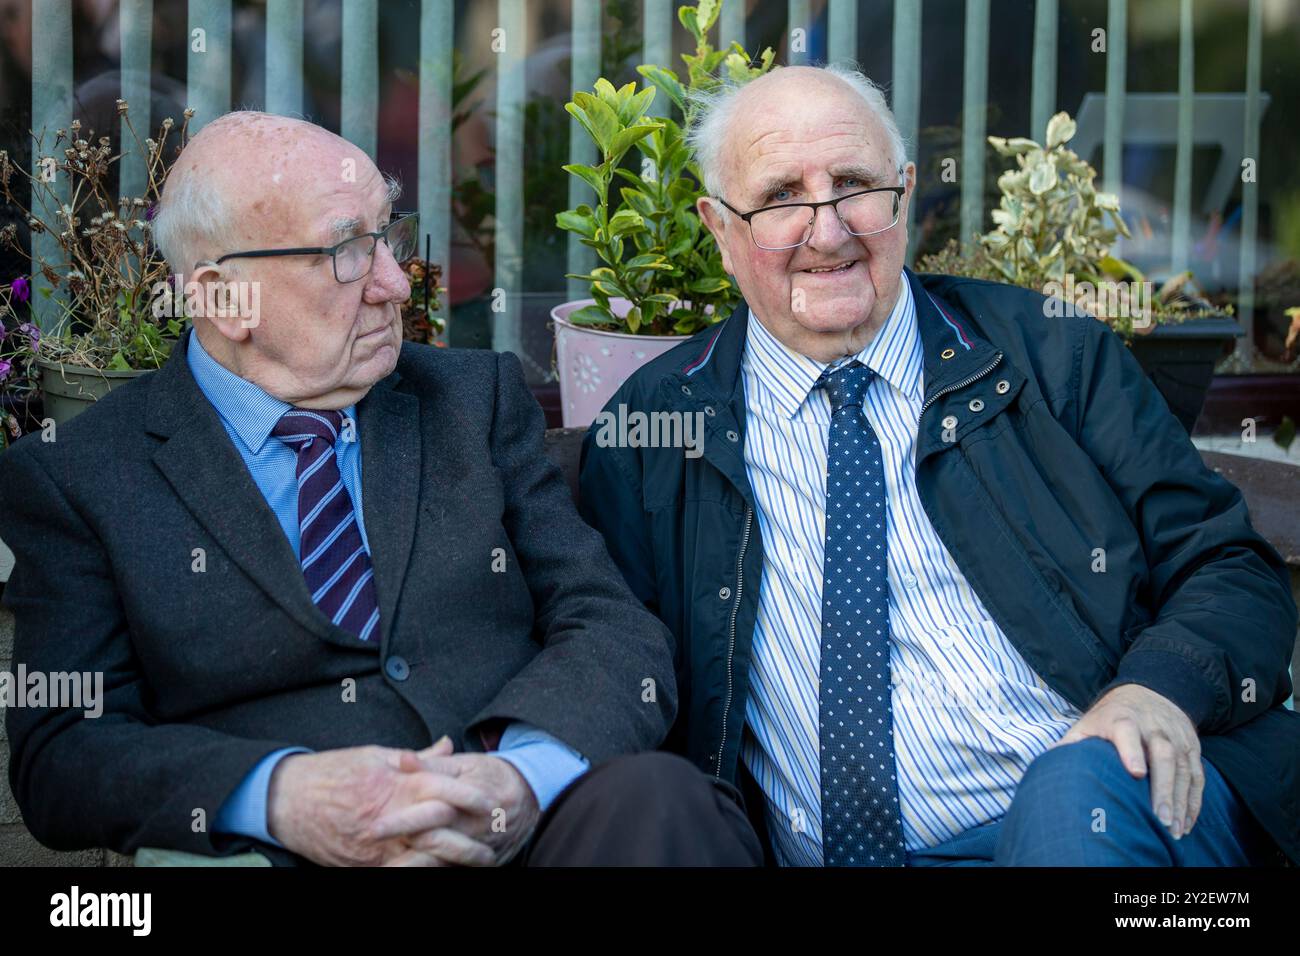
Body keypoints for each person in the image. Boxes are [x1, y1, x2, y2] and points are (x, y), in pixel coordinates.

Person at [579, 65, 1299, 867]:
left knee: (1070, 796)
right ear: (720, 229)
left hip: (1096, 820)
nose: (828, 232)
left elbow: (1228, 566)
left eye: (854, 185)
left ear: (905, 194)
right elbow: (609, 657)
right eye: (781, 196)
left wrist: (1157, 688)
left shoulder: (1050, 355)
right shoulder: (657, 431)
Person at [0, 111, 762, 867]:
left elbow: (611, 625)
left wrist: (519, 777)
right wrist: (280, 796)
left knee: (664, 799)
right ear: (222, 298)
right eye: (346, 253)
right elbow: (63, 750)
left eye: (387, 237)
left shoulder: (473, 401)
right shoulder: (80, 475)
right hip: (288, 858)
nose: (396, 284)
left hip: (533, 840)